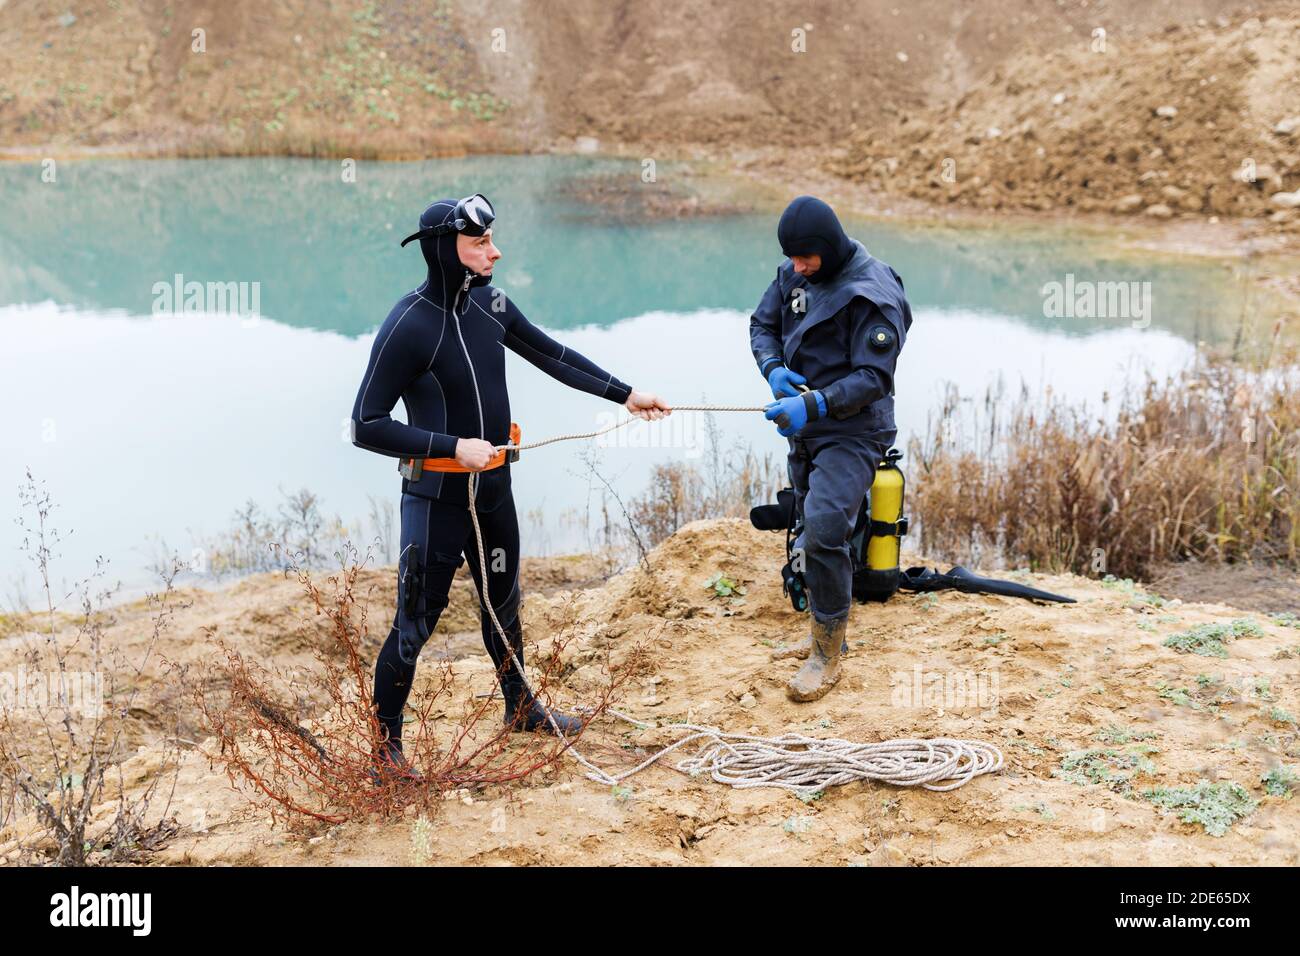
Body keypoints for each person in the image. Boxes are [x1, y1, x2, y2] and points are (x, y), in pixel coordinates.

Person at [351, 193, 671, 781]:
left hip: (494, 490)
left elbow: (552, 354)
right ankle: (385, 750)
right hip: (436, 500)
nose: (494, 252)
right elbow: (365, 424)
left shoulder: (492, 304)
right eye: (480, 243)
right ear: (446, 250)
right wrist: (450, 448)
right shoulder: (407, 325)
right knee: (414, 623)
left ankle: (521, 710)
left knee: (505, 603)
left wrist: (626, 394)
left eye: (493, 240)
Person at [750, 195, 912, 702]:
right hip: (806, 426)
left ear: (831, 247)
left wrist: (815, 405)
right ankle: (820, 629)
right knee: (806, 522)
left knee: (823, 528)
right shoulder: (793, 272)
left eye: (806, 258)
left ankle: (828, 653)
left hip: (854, 429)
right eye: (792, 258)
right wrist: (773, 368)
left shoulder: (873, 292)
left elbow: (872, 378)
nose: (797, 268)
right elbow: (762, 326)